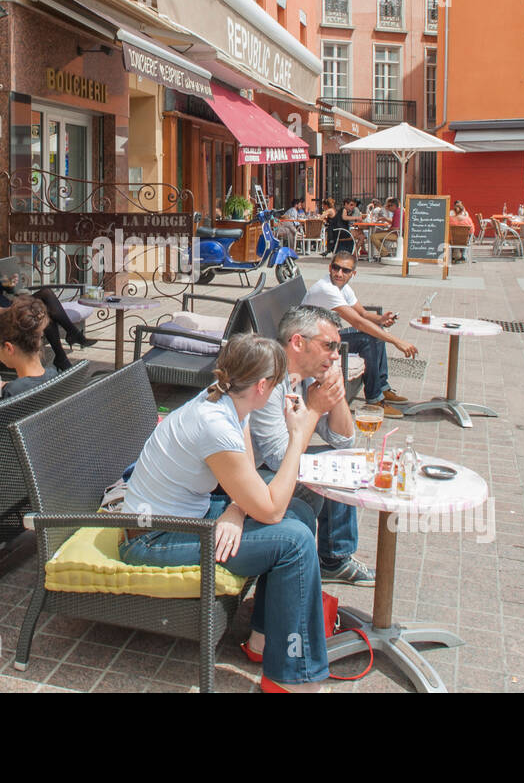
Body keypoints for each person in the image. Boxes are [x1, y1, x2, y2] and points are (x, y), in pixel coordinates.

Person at [120, 333, 329, 692]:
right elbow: (270, 509)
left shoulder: (229, 398)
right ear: (262, 386)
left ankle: (264, 640)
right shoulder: (214, 423)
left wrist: (235, 510)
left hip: (187, 518)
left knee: (302, 512)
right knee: (292, 540)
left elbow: (247, 477)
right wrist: (298, 437)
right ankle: (293, 679)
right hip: (151, 538)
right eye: (280, 385)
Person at [247, 305, 374, 586]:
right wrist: (315, 409)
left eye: (337, 348)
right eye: (329, 346)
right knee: (326, 472)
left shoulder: (301, 375)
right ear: (298, 342)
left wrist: (336, 390)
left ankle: (334, 559)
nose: (334, 355)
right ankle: (319, 562)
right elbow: (281, 459)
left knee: (342, 459)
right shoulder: (268, 377)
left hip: (273, 462)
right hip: (248, 474)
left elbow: (342, 439)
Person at [304, 251, 416, 419]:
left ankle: (383, 389)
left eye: (345, 270)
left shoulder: (343, 287)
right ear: (330, 267)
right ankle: (374, 400)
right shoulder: (326, 289)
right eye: (336, 268)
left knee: (375, 334)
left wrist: (381, 319)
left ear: (353, 273)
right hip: (314, 344)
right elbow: (358, 323)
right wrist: (396, 341)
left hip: (327, 337)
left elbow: (363, 314)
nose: (339, 273)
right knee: (367, 339)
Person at [0, 230, 88, 372]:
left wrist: (10, 286)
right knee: (46, 293)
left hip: (11, 309)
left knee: (46, 314)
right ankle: (72, 336)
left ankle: (62, 357)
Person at [0, 296, 58, 403]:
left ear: (9, 348)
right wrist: (7, 385)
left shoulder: (10, 395)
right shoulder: (54, 376)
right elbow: (28, 384)